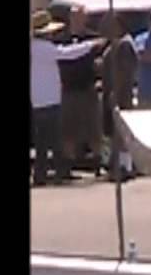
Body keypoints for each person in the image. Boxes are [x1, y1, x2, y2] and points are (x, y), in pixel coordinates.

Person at [30, 10, 105, 185]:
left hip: (39, 99)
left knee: (43, 140)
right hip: (49, 99)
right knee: (54, 139)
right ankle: (58, 172)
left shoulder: (35, 47)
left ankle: (42, 174)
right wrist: (90, 45)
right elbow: (67, 53)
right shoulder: (43, 48)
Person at [58, 6, 105, 168]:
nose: (77, 20)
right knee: (68, 130)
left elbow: (102, 61)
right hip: (68, 89)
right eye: (74, 17)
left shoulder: (94, 39)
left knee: (94, 128)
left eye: (80, 17)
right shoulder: (61, 39)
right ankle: (68, 165)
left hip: (88, 88)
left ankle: (98, 162)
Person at [100, 13, 138, 181]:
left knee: (121, 132)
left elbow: (124, 72)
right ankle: (118, 165)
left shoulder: (124, 45)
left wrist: (116, 91)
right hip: (112, 91)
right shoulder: (114, 43)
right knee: (114, 132)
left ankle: (125, 167)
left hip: (121, 95)